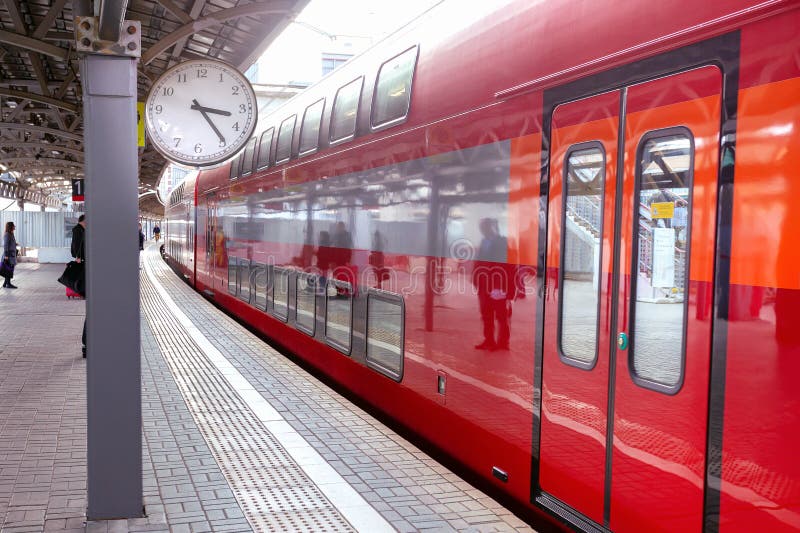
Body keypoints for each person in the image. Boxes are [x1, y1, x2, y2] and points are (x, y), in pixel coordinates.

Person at [472, 218, 516, 351]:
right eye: (481, 228)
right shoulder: (484, 241)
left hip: (498, 286)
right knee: (486, 314)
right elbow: (478, 263)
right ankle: (489, 340)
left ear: (492, 227)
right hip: (484, 285)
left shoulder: (502, 242)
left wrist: (502, 288)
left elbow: (508, 267)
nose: (483, 230)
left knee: (501, 316)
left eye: (485, 227)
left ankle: (503, 343)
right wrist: (476, 280)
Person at [71, 215, 86, 358]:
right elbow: (77, 245)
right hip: (82, 261)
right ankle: (86, 345)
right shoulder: (78, 230)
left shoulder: (82, 230)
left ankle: (86, 345)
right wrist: (78, 256)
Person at [2, 221, 18, 289]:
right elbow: (6, 245)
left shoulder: (11, 234)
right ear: (11, 226)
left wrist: (15, 244)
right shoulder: (7, 234)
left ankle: (5, 283)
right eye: (14, 225)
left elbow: (10, 243)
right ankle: (8, 284)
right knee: (8, 269)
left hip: (11, 255)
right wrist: (6, 255)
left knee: (9, 269)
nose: (15, 226)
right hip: (8, 255)